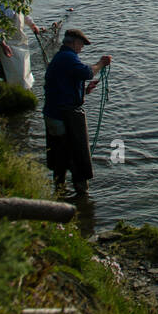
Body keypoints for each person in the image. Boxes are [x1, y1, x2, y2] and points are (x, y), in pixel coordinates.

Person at [43, 28, 111, 194]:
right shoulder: (67, 57)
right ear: (73, 42)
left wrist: (85, 90)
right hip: (63, 116)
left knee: (60, 153)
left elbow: (64, 85)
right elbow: (86, 72)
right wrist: (101, 63)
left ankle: (59, 190)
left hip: (53, 113)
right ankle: (81, 195)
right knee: (75, 154)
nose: (82, 48)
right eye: (81, 44)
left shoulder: (61, 58)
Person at [0, 0, 46, 89]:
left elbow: (24, 15)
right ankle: (11, 94)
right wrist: (3, 45)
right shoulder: (5, 7)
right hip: (8, 45)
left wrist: (33, 26)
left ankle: (19, 91)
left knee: (22, 71)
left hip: (19, 43)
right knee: (10, 73)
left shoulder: (17, 3)